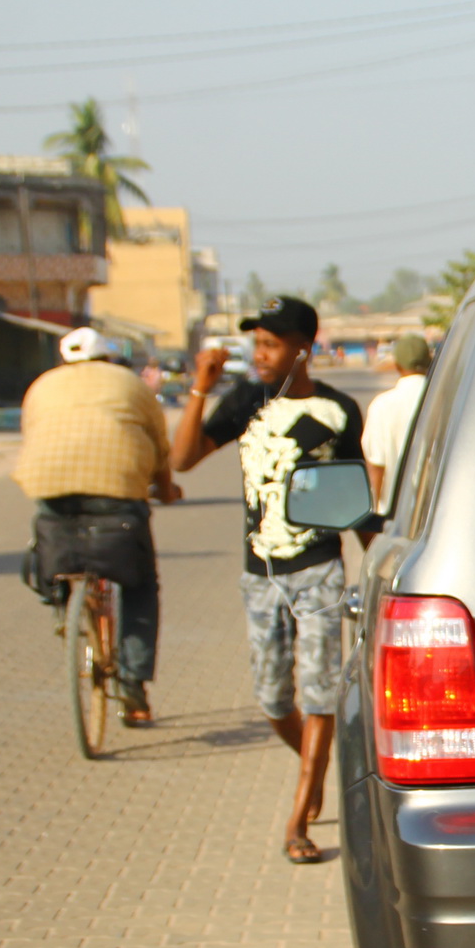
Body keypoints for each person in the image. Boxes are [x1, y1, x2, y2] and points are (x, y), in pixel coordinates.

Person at [170, 297, 362, 865]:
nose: (260, 353)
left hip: (320, 566)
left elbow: (354, 500)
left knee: (320, 689)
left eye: (271, 344)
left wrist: (387, 564)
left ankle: (300, 815)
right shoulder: (244, 403)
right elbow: (182, 460)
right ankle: (317, 761)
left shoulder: (339, 410)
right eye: (256, 343)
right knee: (273, 697)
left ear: (303, 349)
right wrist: (200, 388)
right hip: (261, 574)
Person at [15, 325, 180, 724]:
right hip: (118, 496)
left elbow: (31, 435)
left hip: (51, 493)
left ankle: (59, 600)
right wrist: (164, 487)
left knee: (48, 543)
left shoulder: (41, 385)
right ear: (107, 357)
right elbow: (159, 445)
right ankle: (134, 687)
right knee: (140, 585)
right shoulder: (130, 384)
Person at [360, 333, 431, 505]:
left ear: (397, 365)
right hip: (437, 513)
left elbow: (376, 465)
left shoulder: (382, 405)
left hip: (396, 512)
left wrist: (372, 511)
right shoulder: (445, 399)